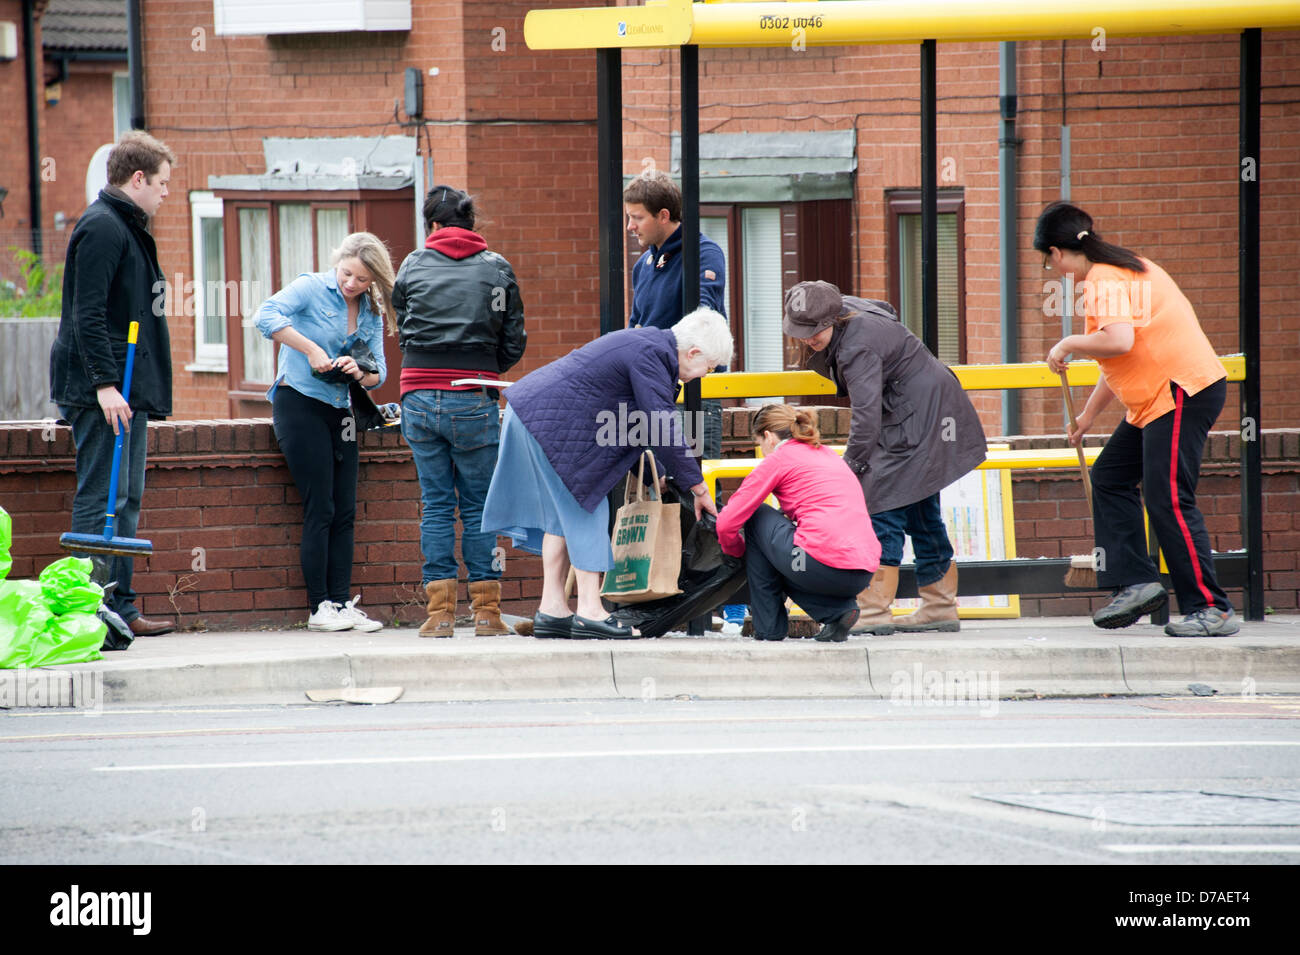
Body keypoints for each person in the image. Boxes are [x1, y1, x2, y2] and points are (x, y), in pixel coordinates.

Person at [1038, 201, 1237, 636]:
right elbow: (1127, 356)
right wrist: (1088, 415)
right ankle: (1137, 582)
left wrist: (1068, 342)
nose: (1055, 272)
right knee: (1109, 475)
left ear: (1056, 252)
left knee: (1167, 498)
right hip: (1161, 395)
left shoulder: (1102, 279)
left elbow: (1119, 341)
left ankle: (1212, 608)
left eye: (1050, 262)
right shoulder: (1130, 267)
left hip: (1180, 390)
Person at [481, 308, 733, 639]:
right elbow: (661, 425)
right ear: (693, 353)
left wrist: (653, 473)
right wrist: (698, 488)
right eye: (709, 368)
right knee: (586, 506)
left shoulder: (648, 347)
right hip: (550, 423)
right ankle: (589, 611)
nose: (704, 374)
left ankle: (552, 610)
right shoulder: (653, 355)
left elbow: (623, 425)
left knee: (562, 517)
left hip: (533, 415)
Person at [783, 280, 986, 634]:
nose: (807, 338)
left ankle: (873, 611)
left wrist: (850, 469)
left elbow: (865, 416)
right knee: (922, 508)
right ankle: (940, 605)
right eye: (801, 330)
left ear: (832, 317)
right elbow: (888, 309)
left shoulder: (857, 348)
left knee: (880, 505)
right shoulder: (845, 309)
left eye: (814, 331)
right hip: (930, 406)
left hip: (915, 418)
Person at [50, 130, 178, 637]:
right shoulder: (103, 227)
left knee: (126, 496)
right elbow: (87, 313)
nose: (167, 193)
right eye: (163, 183)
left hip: (127, 389)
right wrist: (104, 384)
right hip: (102, 390)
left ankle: (119, 610)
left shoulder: (127, 225)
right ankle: (88, 615)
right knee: (102, 494)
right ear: (138, 178)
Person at [392, 186, 526, 638]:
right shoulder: (497, 268)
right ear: (471, 225)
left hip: (419, 394)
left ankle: (439, 616)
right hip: (473, 394)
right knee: (478, 507)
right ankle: (487, 613)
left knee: (435, 506)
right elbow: (513, 338)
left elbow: (403, 327)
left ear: (432, 225)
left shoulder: (411, 264)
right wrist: (485, 369)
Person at [254, 232, 394, 632]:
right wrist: (311, 349)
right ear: (339, 261)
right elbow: (265, 315)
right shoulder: (311, 287)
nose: (352, 284)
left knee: (345, 510)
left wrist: (359, 371)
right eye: (348, 274)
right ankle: (319, 609)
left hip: (342, 411)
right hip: (299, 403)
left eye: (363, 280)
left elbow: (378, 374)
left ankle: (340, 602)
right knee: (321, 508)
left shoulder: (370, 311)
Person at [715, 404, 880, 642]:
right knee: (786, 551)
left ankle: (768, 627)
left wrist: (737, 552)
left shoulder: (780, 458)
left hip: (819, 563)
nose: (762, 450)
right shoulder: (827, 454)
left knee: (756, 515)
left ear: (769, 437)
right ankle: (838, 612)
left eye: (759, 443)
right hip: (861, 572)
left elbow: (727, 522)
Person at [624, 170, 727, 459]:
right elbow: (636, 325)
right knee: (653, 487)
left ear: (664, 215)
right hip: (651, 390)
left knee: (694, 487)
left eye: (637, 217)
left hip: (690, 390)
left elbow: (705, 318)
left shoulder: (704, 254)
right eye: (628, 217)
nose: (630, 226)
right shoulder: (644, 263)